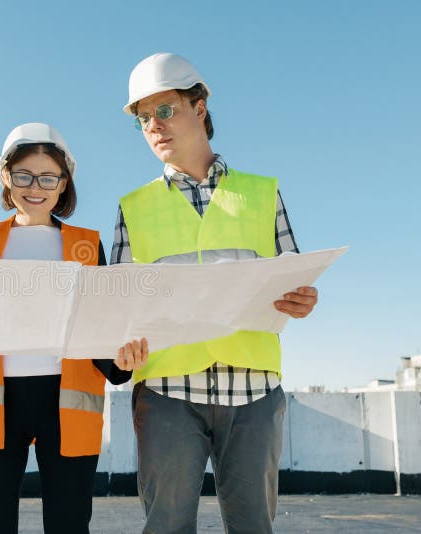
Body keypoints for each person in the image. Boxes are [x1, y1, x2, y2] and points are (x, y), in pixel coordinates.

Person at [112, 52, 319, 534]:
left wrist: (304, 300)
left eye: (165, 111)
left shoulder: (262, 192)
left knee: (253, 526)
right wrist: (121, 342)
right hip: (167, 391)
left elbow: (294, 275)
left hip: (253, 390)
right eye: (144, 119)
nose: (154, 127)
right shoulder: (133, 207)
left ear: (199, 107)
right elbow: (119, 305)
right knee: (166, 526)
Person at [0, 122, 148, 534]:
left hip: (66, 403)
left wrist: (121, 365)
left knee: (69, 524)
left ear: (64, 182)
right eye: (24, 175)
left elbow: (98, 325)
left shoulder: (86, 245)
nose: (35, 187)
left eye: (48, 177)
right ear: (6, 177)